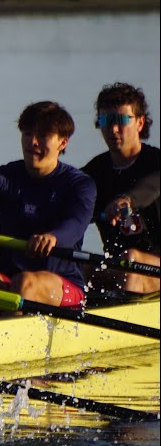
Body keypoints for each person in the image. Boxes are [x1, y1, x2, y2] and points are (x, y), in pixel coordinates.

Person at [0, 101, 95, 307]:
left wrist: (53, 237)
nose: (32, 142)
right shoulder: (0, 178)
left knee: (25, 284)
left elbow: (76, 224)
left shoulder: (79, 184)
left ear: (63, 143)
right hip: (8, 277)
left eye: (42, 136)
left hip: (63, 283)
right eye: (27, 134)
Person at [81, 83, 160, 295]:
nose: (113, 129)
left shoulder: (156, 164)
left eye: (121, 120)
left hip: (151, 265)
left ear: (140, 123)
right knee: (74, 265)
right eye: (106, 121)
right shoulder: (94, 172)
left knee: (131, 261)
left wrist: (127, 200)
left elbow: (151, 187)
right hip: (119, 266)